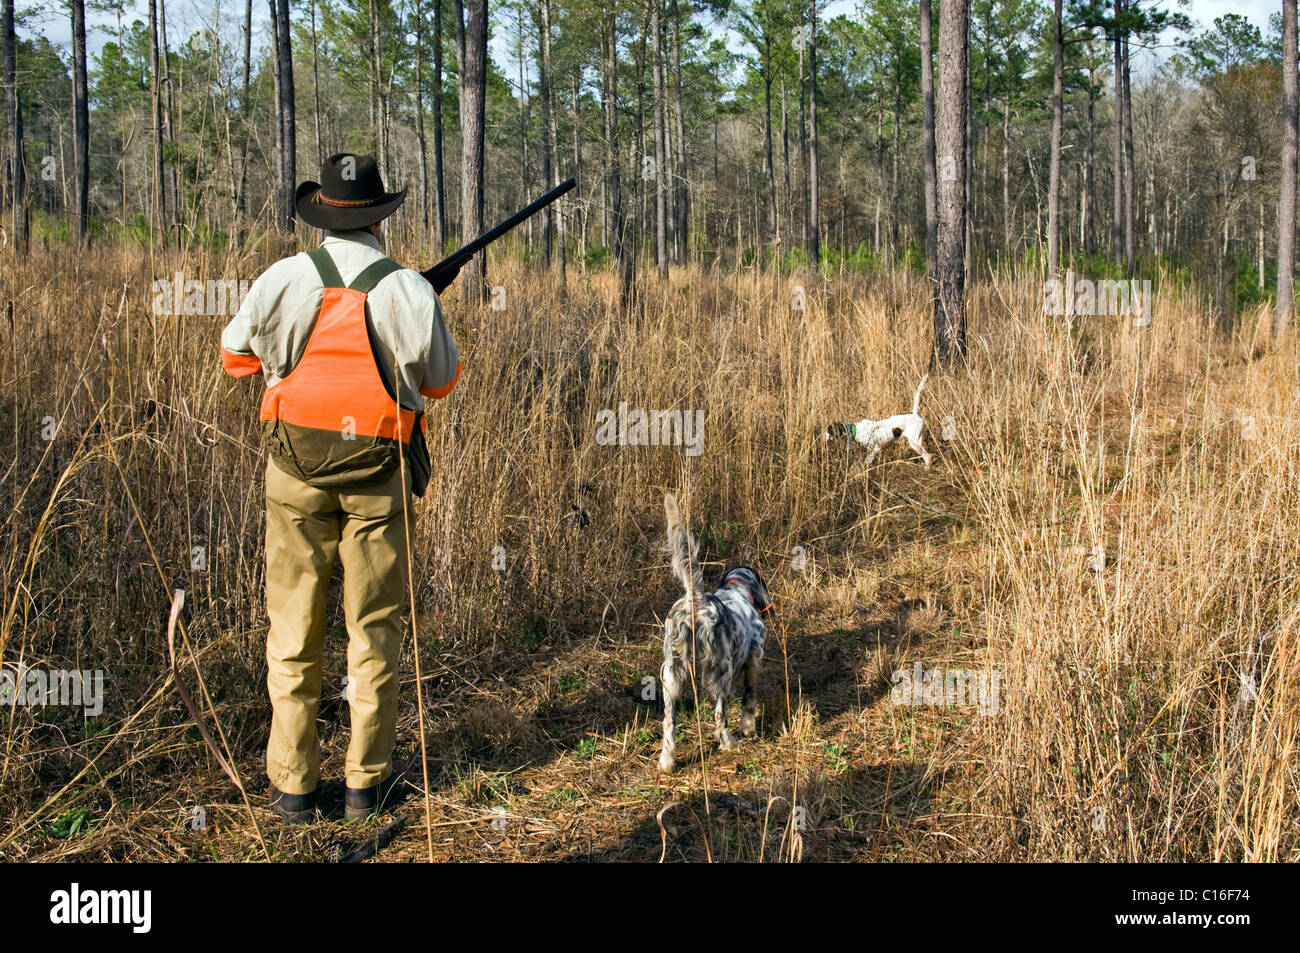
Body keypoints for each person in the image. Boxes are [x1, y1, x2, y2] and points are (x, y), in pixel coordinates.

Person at [220, 153, 460, 823]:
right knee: (373, 631)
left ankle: (293, 788)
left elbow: (234, 358)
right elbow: (440, 380)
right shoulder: (406, 287)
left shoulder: (281, 277)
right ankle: (367, 784)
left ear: (321, 214)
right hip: (377, 478)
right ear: (381, 220)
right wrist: (422, 305)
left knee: (293, 629)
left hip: (293, 475)